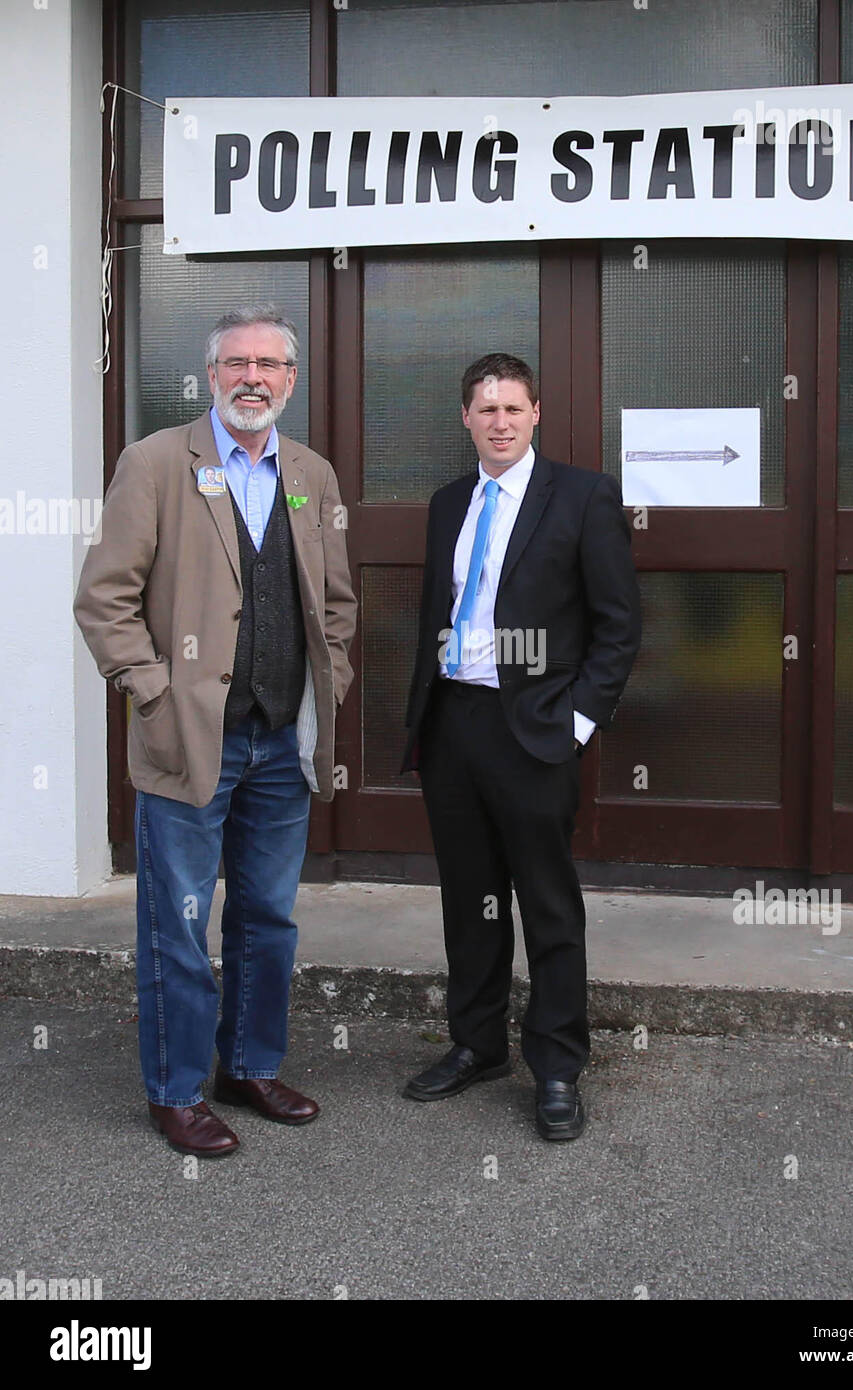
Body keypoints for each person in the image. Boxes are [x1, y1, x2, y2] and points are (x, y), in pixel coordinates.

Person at [74, 305, 356, 1158]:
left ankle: (250, 1066)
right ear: (210, 378)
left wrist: (329, 679)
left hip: (281, 741)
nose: (253, 378)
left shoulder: (311, 473)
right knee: (180, 926)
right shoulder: (158, 463)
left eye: (270, 364)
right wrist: (152, 693)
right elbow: (105, 601)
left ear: (291, 381)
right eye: (237, 363)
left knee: (269, 918)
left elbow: (335, 603)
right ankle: (175, 1089)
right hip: (189, 739)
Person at [401, 353, 640, 1140]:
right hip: (455, 725)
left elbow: (618, 625)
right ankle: (477, 1045)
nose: (499, 421)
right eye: (484, 408)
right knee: (470, 900)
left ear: (537, 413)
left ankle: (559, 1067)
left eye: (512, 408)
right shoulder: (446, 504)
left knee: (546, 903)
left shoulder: (581, 496)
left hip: (534, 727)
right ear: (464, 418)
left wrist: (577, 723)